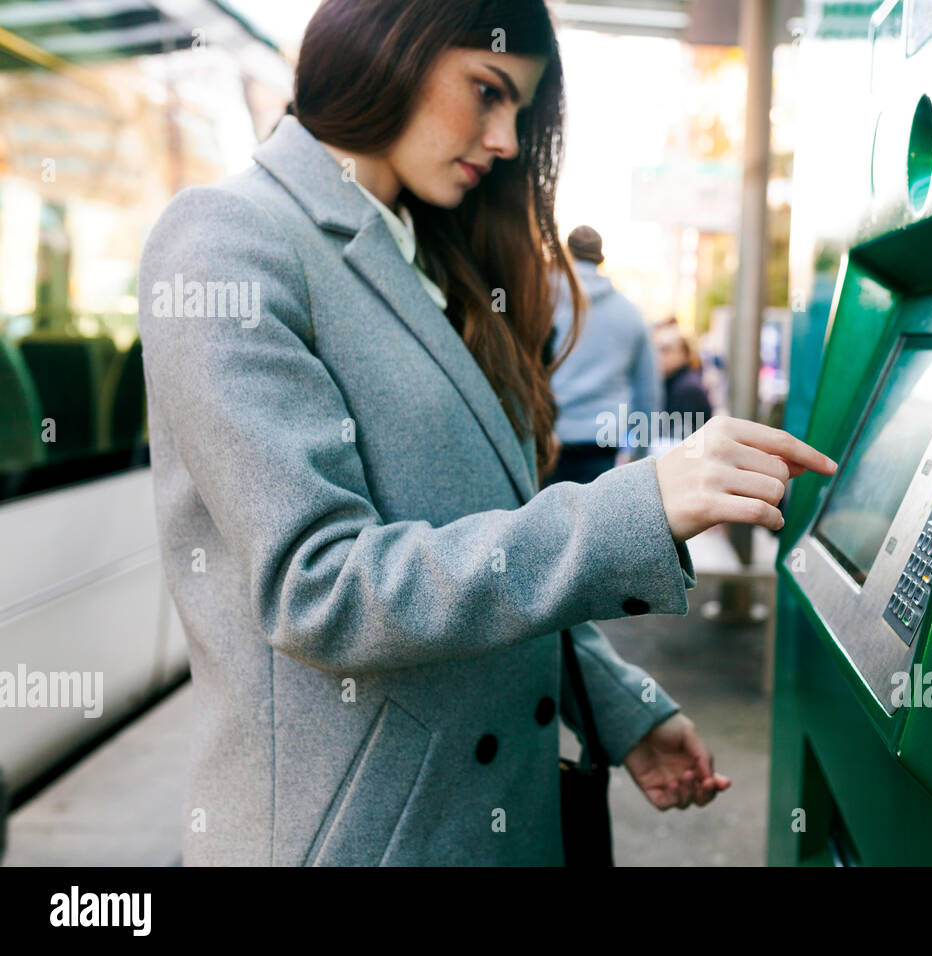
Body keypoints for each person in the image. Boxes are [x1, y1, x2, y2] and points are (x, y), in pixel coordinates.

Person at [136, 0, 836, 866]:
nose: (506, 140)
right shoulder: (230, 238)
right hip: (354, 836)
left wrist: (620, 706)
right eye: (487, 90)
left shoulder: (427, 252)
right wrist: (640, 505)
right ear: (390, 45)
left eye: (521, 111)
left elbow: (489, 532)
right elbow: (320, 587)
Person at [543, 225, 660, 486]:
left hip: (547, 441)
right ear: (600, 259)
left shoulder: (539, 303)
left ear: (566, 254)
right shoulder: (630, 313)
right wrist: (640, 453)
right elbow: (648, 391)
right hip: (602, 443)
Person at [652, 317, 714, 454]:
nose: (658, 356)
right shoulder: (670, 382)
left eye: (666, 350)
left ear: (684, 354)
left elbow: (681, 444)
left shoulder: (688, 390)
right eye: (655, 349)